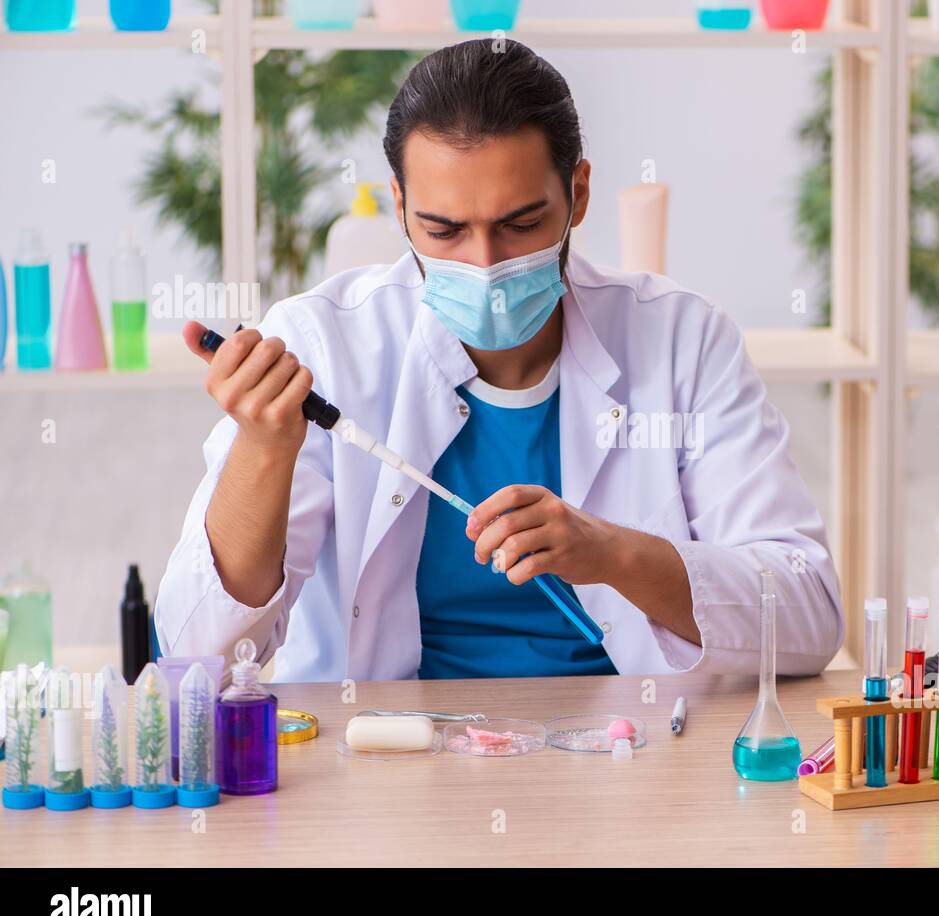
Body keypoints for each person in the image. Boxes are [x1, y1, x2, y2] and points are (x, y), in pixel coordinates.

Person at [156, 39, 842, 682]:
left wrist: (611, 552)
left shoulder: (682, 341)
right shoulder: (323, 343)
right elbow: (200, 650)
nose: (484, 265)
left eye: (520, 224)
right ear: (399, 205)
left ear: (578, 192)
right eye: (444, 229)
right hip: (392, 757)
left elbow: (810, 618)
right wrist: (264, 449)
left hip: (625, 750)